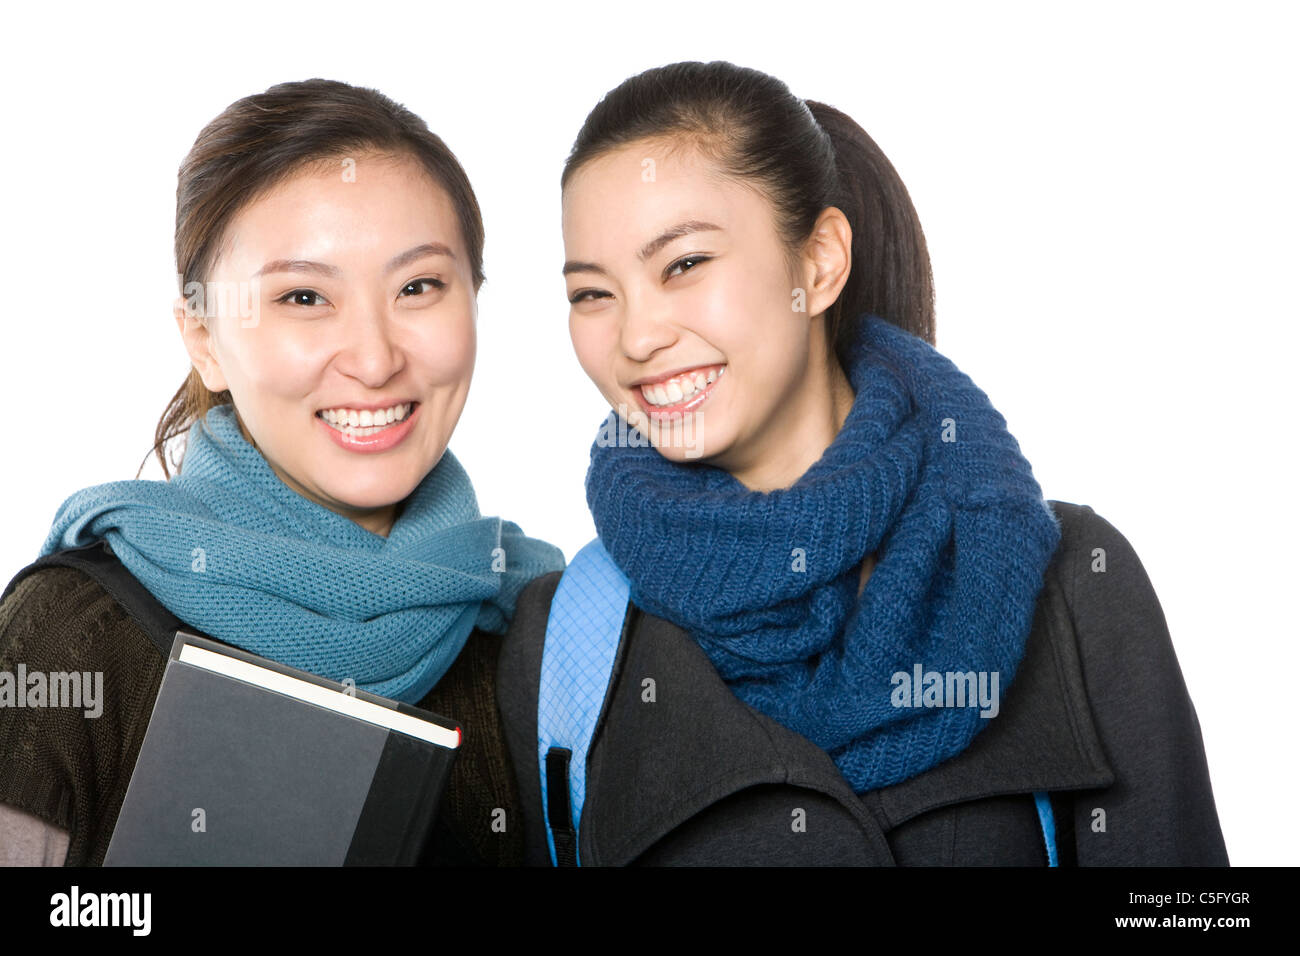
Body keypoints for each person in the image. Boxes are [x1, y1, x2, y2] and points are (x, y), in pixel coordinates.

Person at [495, 60, 1229, 865]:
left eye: (684, 265)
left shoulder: (1071, 584)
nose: (636, 338)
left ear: (818, 264)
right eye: (592, 294)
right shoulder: (562, 643)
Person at [0, 78, 565, 866]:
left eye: (419, 287)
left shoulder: (545, 628)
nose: (374, 359)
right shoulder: (70, 638)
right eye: (304, 296)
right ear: (203, 340)